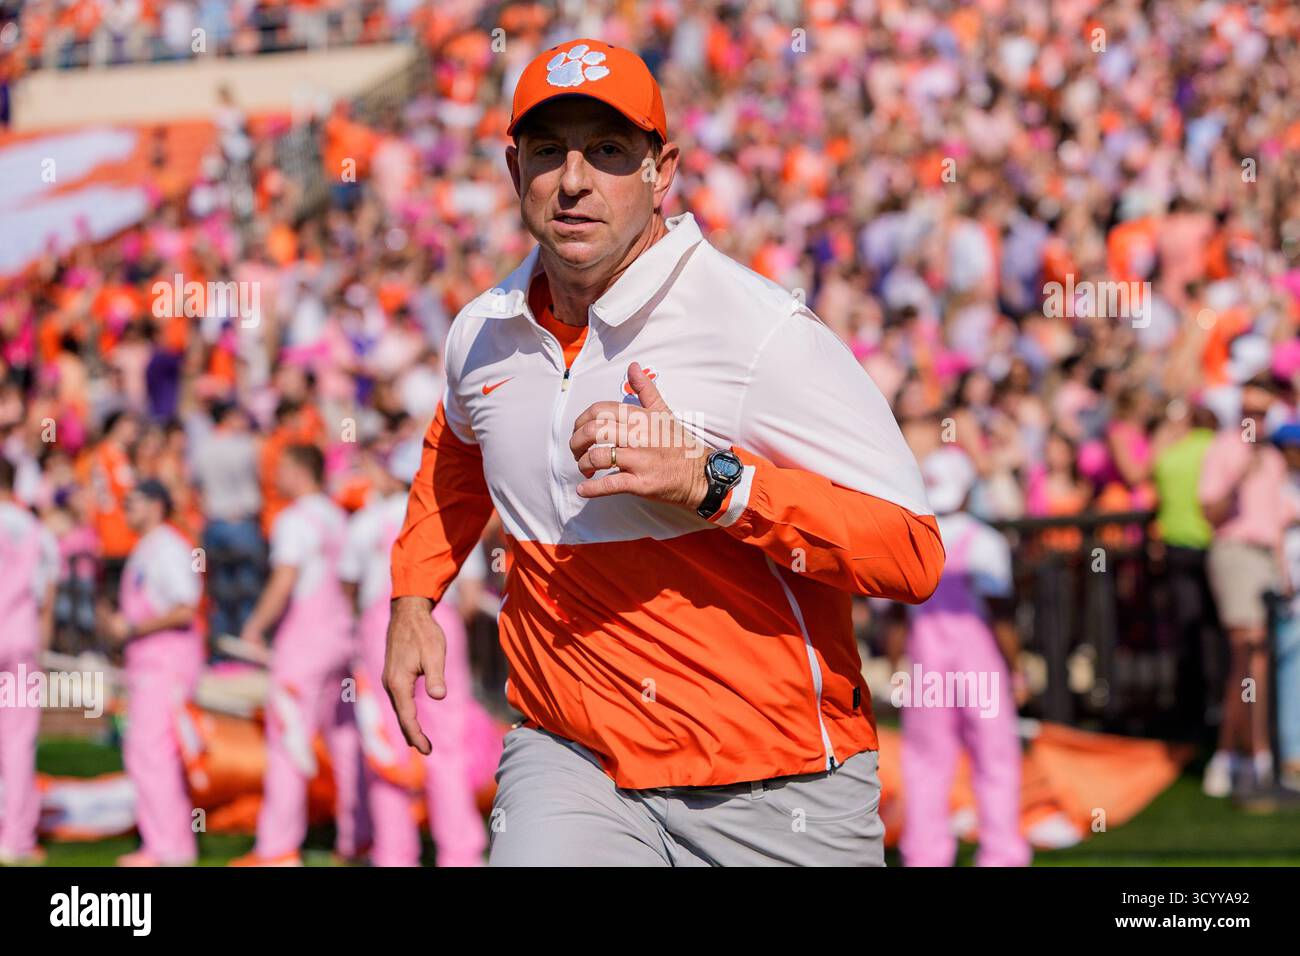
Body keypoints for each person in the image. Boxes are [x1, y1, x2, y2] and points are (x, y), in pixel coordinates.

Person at [385, 39, 945, 867]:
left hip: (773, 784)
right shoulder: (481, 333)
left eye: (608, 151)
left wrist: (714, 483)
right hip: (570, 759)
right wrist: (411, 596)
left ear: (662, 170)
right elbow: (458, 454)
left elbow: (912, 554)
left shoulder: (759, 331)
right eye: (549, 152)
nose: (573, 181)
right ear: (514, 171)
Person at [341, 442, 486, 867]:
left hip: (382, 631)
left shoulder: (367, 522)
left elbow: (348, 588)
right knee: (447, 745)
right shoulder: (457, 519)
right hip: (443, 627)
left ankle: (393, 853)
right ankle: (460, 853)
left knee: (386, 742)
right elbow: (473, 597)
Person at [888, 447, 1030, 867]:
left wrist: (896, 664)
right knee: (996, 757)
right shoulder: (985, 541)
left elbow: (895, 612)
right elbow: (1001, 614)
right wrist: (1017, 667)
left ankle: (925, 853)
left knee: (926, 762)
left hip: (926, 663)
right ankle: (1001, 853)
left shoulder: (911, 540)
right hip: (979, 663)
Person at [232, 444, 367, 866]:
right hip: (340, 639)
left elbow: (285, 578)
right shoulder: (337, 516)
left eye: (279, 469)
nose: (273, 478)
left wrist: (254, 626)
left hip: (304, 645)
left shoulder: (294, 519)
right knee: (345, 742)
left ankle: (277, 849)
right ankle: (357, 836)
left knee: (287, 742)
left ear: (296, 469)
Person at [101, 479, 205, 866]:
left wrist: (130, 628)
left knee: (153, 753)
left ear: (157, 505)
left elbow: (184, 606)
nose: (126, 507)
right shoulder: (150, 547)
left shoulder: (166, 547)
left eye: (134, 501)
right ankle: (165, 844)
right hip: (150, 664)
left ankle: (168, 848)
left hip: (166, 665)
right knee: (147, 753)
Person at [1198, 379, 1292, 795]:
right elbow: (1210, 512)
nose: (1256, 421)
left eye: (1263, 414)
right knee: (1248, 649)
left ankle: (1241, 755)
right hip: (1235, 552)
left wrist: (1283, 571)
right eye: (1250, 414)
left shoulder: (1273, 460)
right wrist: (1237, 478)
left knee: (1255, 658)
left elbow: (1274, 520)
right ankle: (1250, 756)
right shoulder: (1224, 450)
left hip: (1265, 562)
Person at [0, 457, 59, 866]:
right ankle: (16, 840)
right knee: (18, 742)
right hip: (20, 643)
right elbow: (47, 602)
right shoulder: (39, 532)